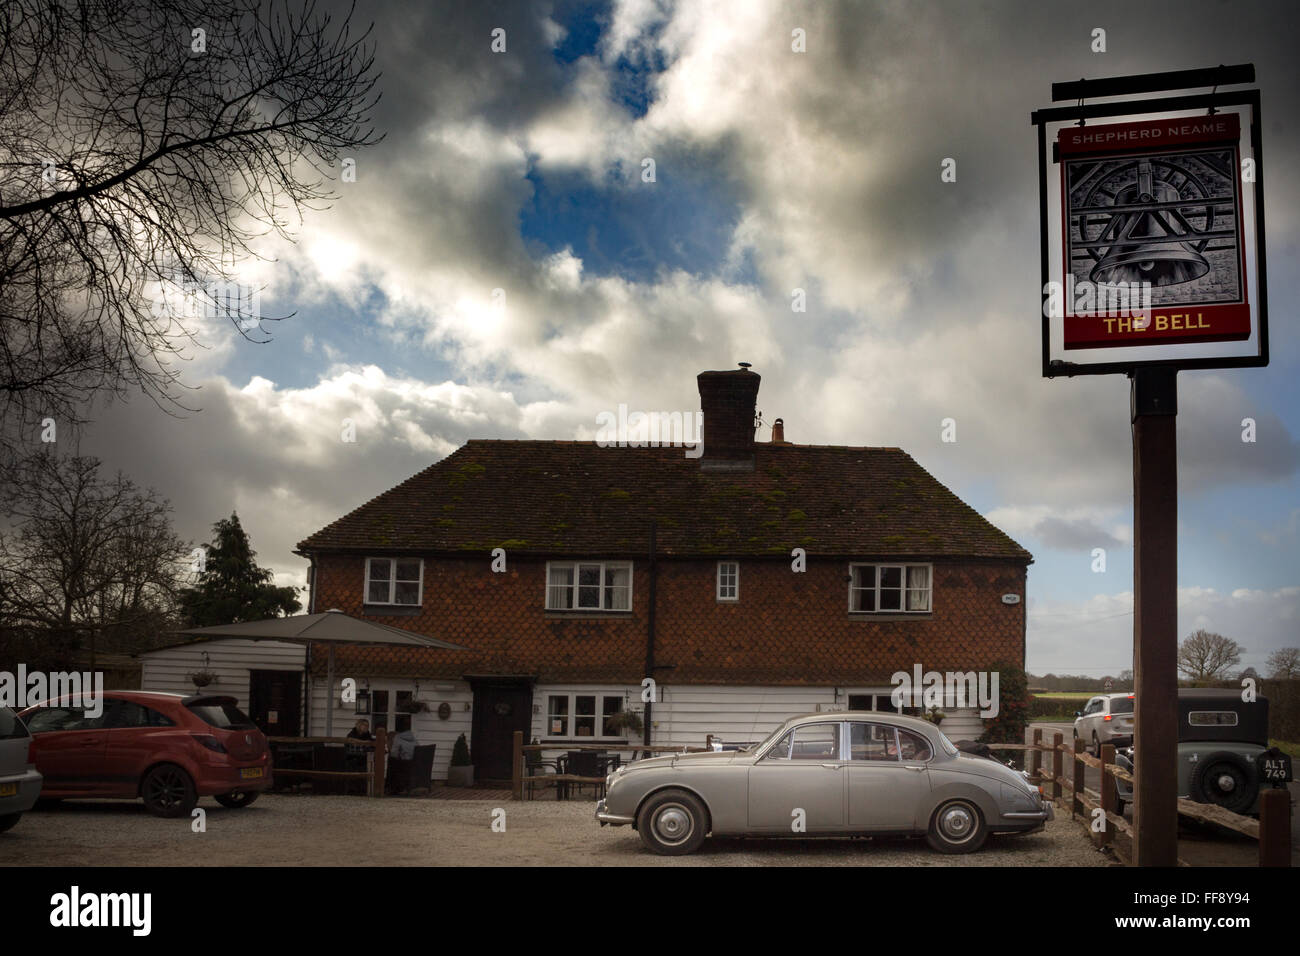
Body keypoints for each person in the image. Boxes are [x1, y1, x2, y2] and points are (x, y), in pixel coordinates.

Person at [387, 716, 417, 793]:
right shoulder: (413, 738)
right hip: (414, 764)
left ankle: (392, 787)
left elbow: (394, 753)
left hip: (404, 765)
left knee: (391, 761)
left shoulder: (398, 737)